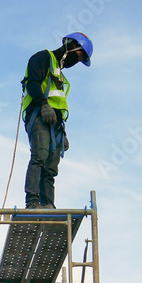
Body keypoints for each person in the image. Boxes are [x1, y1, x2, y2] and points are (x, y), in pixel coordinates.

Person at [21, 32, 93, 210]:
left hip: (56, 124)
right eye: (78, 55)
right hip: (39, 114)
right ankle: (32, 202)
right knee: (40, 155)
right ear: (69, 44)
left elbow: (59, 104)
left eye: (81, 59)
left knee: (51, 166)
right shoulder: (43, 58)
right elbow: (32, 83)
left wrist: (63, 133)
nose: (76, 60)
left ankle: (48, 205)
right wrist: (43, 105)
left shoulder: (61, 78)